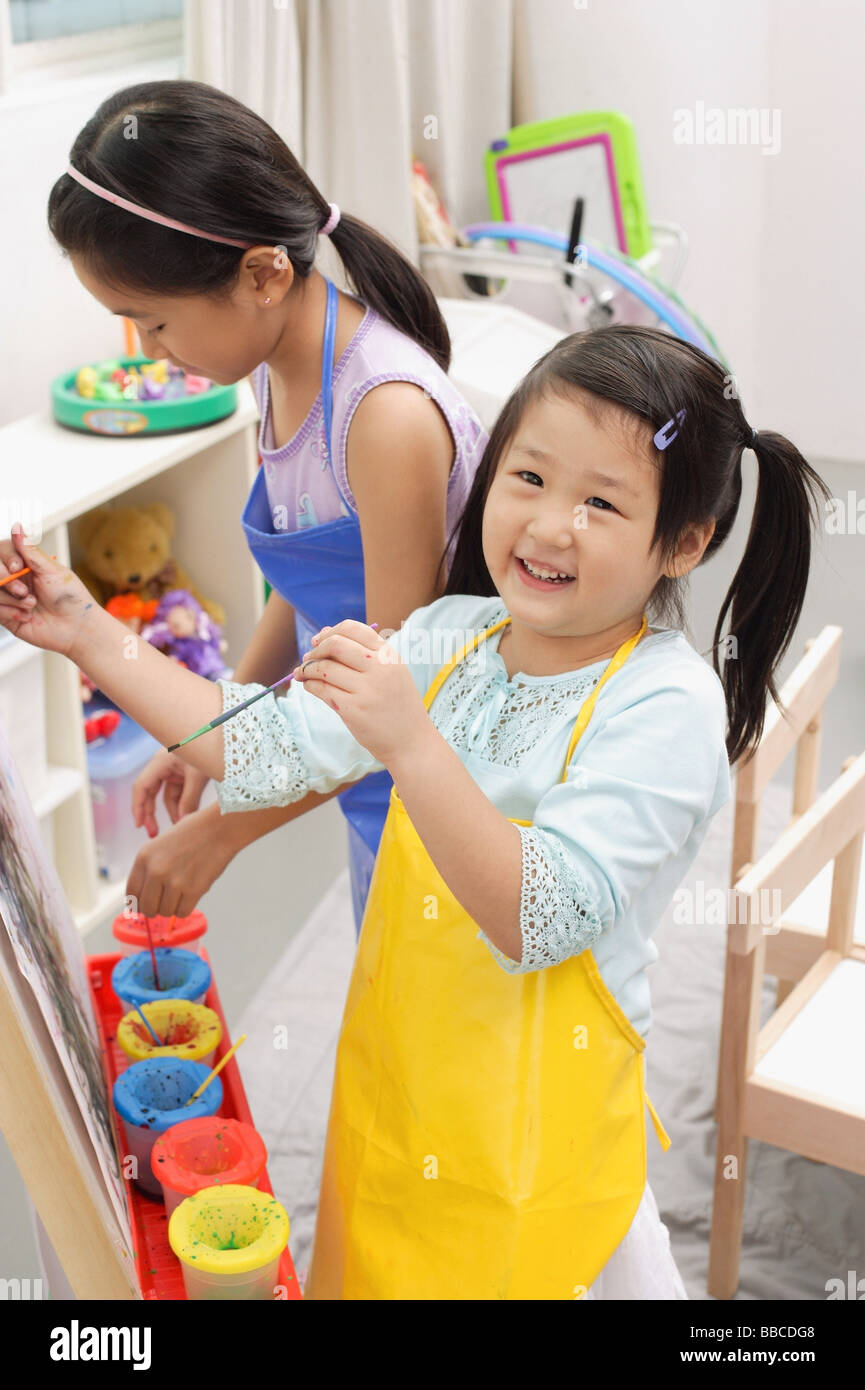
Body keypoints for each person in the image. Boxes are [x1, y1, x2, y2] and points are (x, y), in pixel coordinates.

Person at [0, 324, 832, 1299]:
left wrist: (409, 742)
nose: (549, 524)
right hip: (402, 1083)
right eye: (528, 477)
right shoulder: (449, 635)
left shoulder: (665, 704)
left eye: (601, 501)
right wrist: (91, 634)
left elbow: (538, 916)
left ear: (682, 542)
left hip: (536, 1125)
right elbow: (261, 746)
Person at [47, 77, 486, 933]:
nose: (149, 351)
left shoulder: (384, 417)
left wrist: (225, 830)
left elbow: (400, 705)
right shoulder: (275, 366)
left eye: (155, 323)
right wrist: (220, 728)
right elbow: (313, 580)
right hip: (364, 760)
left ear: (262, 273)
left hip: (450, 787)